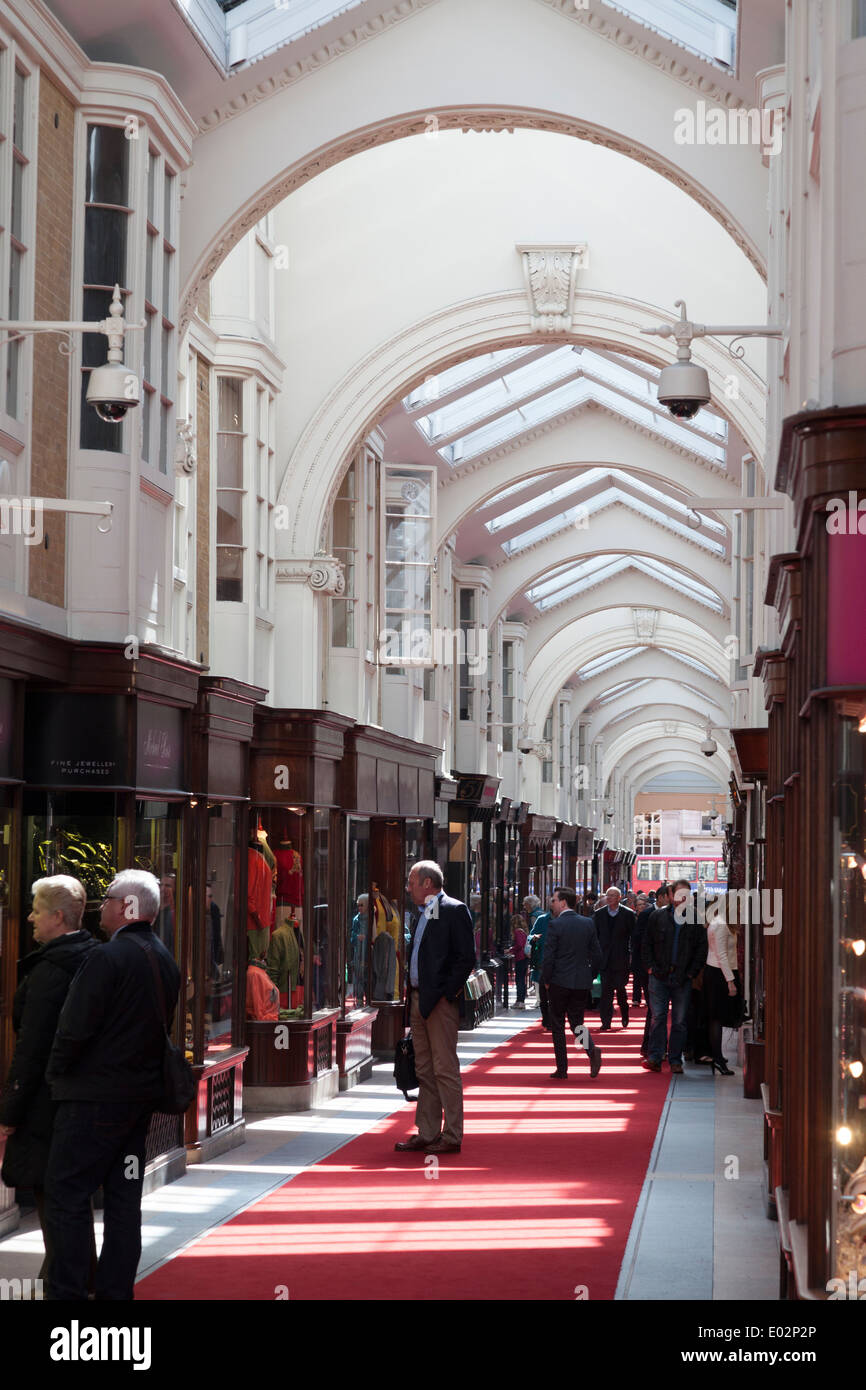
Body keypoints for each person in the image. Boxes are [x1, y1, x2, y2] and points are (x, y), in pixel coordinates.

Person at [44, 868, 181, 1301]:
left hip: (92, 1102)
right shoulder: (164, 959)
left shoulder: (106, 958)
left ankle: (66, 1292)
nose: (100, 906)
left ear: (129, 906)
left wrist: (55, 1075)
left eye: (107, 899)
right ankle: (116, 1292)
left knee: (67, 1192)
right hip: (137, 1104)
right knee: (124, 1199)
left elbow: (74, 1028)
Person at [0, 876, 97, 1293]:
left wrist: (9, 1112)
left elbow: (32, 1050)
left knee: (54, 1198)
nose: (29, 917)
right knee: (69, 1197)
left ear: (58, 917)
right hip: (85, 1099)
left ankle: (66, 1284)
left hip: (47, 1103)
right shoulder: (97, 959)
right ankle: (77, 1278)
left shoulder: (50, 971)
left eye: (36, 909)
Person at [394, 860, 474, 1156]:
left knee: (444, 1069)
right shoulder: (421, 913)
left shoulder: (454, 909)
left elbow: (466, 958)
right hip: (417, 998)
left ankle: (452, 1135)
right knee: (424, 1069)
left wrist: (445, 993)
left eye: (411, 882)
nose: (408, 887)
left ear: (428, 883)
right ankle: (427, 1132)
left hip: (438, 1002)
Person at [641, 878, 707, 1074]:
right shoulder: (657, 917)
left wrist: (691, 973)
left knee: (679, 1021)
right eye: (678, 894)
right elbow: (646, 944)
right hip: (659, 975)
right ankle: (655, 1056)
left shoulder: (695, 919)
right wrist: (650, 967)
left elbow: (701, 950)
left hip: (682, 977)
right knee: (658, 1017)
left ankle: (675, 1059)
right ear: (670, 895)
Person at [542, 886, 603, 1079]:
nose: (552, 904)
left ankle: (562, 1068)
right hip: (580, 982)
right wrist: (590, 975)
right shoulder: (587, 923)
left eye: (553, 900)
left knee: (557, 1024)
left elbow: (549, 956)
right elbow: (597, 954)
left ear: (562, 902)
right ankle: (591, 1050)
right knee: (577, 1023)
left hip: (559, 981)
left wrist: (546, 980)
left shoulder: (555, 925)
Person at [703, 898, 742, 1075]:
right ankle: (717, 1058)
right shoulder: (720, 924)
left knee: (717, 1017)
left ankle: (718, 1057)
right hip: (719, 974)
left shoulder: (722, 923)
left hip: (721, 972)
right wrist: (730, 981)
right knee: (716, 1018)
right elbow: (722, 954)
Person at [593, 886, 635, 1032]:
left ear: (619, 897)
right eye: (607, 895)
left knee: (620, 989)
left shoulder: (628, 914)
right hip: (604, 960)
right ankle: (606, 1021)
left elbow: (633, 936)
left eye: (612, 896)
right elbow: (594, 936)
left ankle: (624, 1012)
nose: (609, 898)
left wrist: (630, 955)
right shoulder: (599, 914)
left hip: (621, 958)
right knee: (606, 992)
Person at [525, 896, 552, 1028]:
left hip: (560, 963)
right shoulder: (542, 919)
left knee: (554, 994)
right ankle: (546, 1018)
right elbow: (531, 936)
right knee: (543, 993)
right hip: (543, 961)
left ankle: (553, 1019)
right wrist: (534, 938)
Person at [510, 912, 529, 1009]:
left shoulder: (517, 932)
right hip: (524, 958)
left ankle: (520, 1001)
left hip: (520, 958)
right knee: (522, 979)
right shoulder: (523, 932)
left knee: (519, 980)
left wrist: (510, 950)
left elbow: (519, 945)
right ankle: (521, 1000)